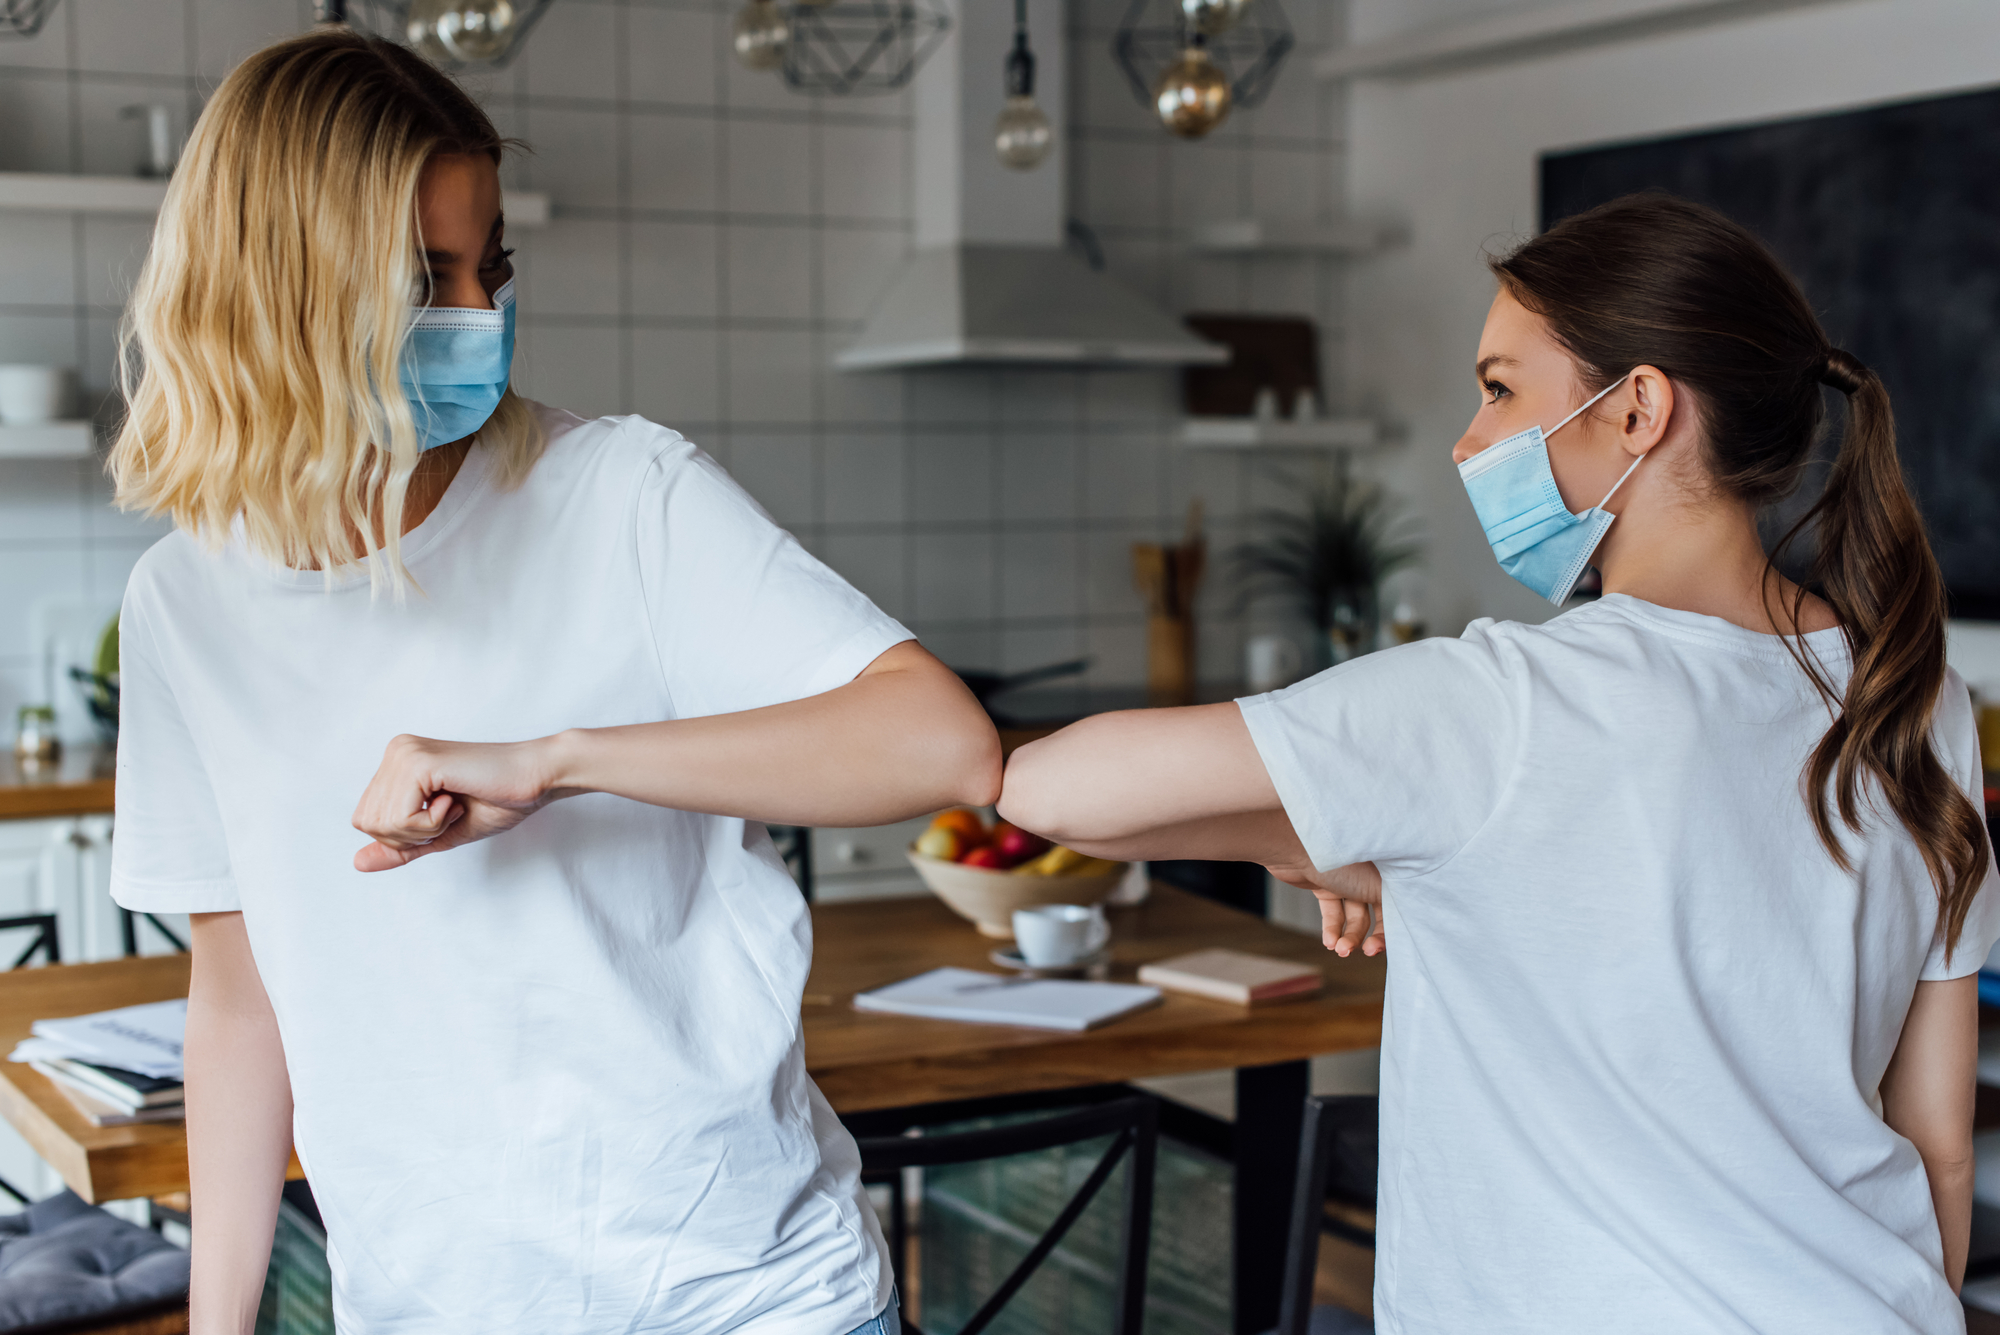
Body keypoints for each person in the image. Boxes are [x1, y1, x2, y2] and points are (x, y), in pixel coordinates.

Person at [106, 28, 997, 1335]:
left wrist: (561, 757)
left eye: (493, 265)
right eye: (427, 276)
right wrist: (218, 1323)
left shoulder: (620, 493)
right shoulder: (183, 606)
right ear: (280, 289)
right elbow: (241, 1001)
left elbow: (941, 742)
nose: (480, 315)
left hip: (747, 1295)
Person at [998, 193, 2000, 1333]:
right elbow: (1938, 1150)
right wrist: (1378, 854)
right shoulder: (1912, 692)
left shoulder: (1503, 702)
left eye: (1497, 388)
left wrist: (1334, 842)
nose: (1470, 441)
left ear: (1635, 411)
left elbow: (1050, 788)